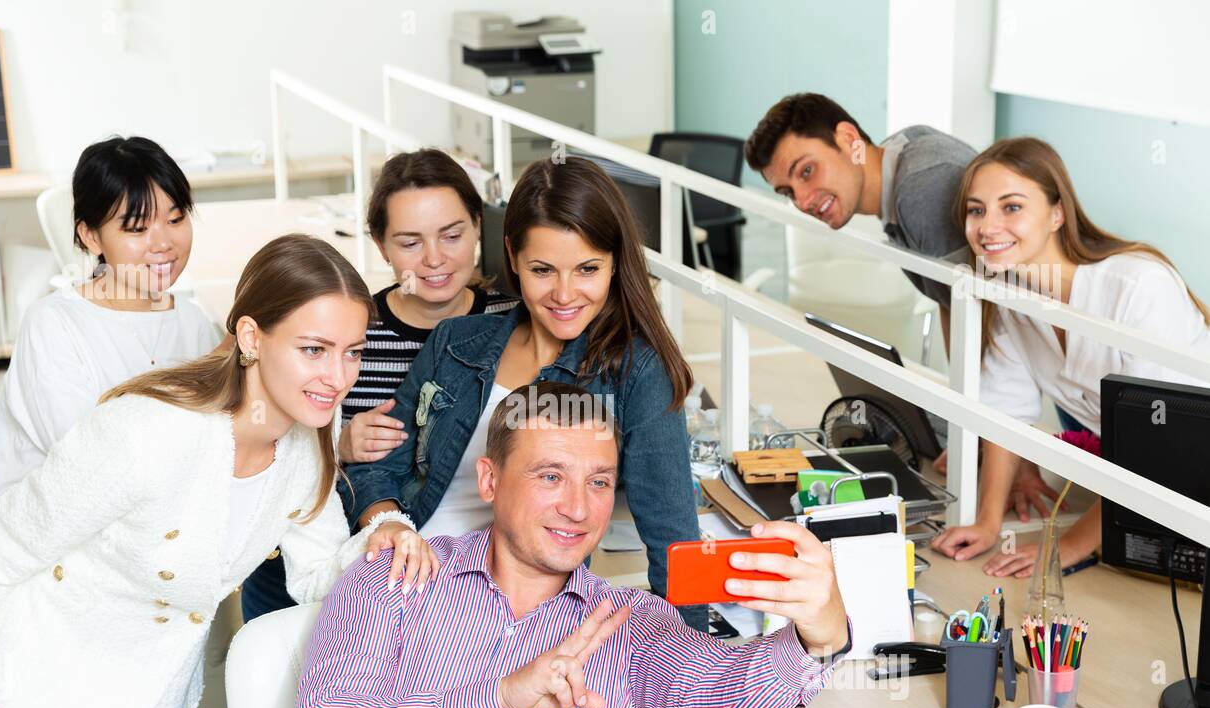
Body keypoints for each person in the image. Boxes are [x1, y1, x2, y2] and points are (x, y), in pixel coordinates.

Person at [0, 235, 437, 708]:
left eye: (353, 352)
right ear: (250, 338)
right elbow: (0, 544)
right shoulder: (147, 433)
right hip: (58, 670)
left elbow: (319, 571)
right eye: (314, 349)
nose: (337, 376)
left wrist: (382, 535)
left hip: (160, 687)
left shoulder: (309, 434)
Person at [292, 381, 851, 708]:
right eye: (550, 476)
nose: (579, 509)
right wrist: (502, 700)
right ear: (490, 480)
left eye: (600, 482)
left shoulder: (626, 624)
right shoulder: (396, 576)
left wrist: (819, 635)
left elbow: (729, 699)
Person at [0, 135, 223, 708]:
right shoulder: (59, 328)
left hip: (157, 630)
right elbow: (100, 486)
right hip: (63, 625)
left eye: (176, 216)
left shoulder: (195, 325)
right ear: (90, 235)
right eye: (135, 227)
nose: (163, 242)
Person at [343, 156, 707, 630]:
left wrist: (690, 663)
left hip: (518, 611)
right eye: (542, 270)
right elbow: (381, 465)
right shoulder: (455, 341)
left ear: (615, 263)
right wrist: (386, 523)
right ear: (512, 255)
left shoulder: (636, 371)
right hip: (405, 577)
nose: (564, 293)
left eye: (587, 269)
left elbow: (673, 536)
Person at [744, 92, 1058, 515]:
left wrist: (1017, 463)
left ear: (848, 138)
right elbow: (956, 304)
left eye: (807, 171)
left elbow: (998, 315)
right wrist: (970, 429)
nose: (802, 200)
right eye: (788, 190)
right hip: (1035, 385)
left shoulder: (920, 188)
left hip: (1070, 381)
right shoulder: (900, 159)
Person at [239, 148, 516, 622]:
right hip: (338, 563)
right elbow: (274, 445)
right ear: (380, 244)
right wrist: (338, 445)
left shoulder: (514, 324)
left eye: (452, 235)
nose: (434, 259)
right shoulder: (344, 329)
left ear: (478, 226)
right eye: (409, 243)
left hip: (471, 575)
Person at [930, 137, 1210, 577]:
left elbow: (1155, 448)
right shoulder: (1010, 298)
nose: (987, 226)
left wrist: (1066, 545)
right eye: (976, 209)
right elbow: (1006, 417)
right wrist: (986, 522)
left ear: (1057, 213)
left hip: (1188, 478)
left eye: (1012, 207)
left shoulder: (1138, 287)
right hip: (1139, 486)